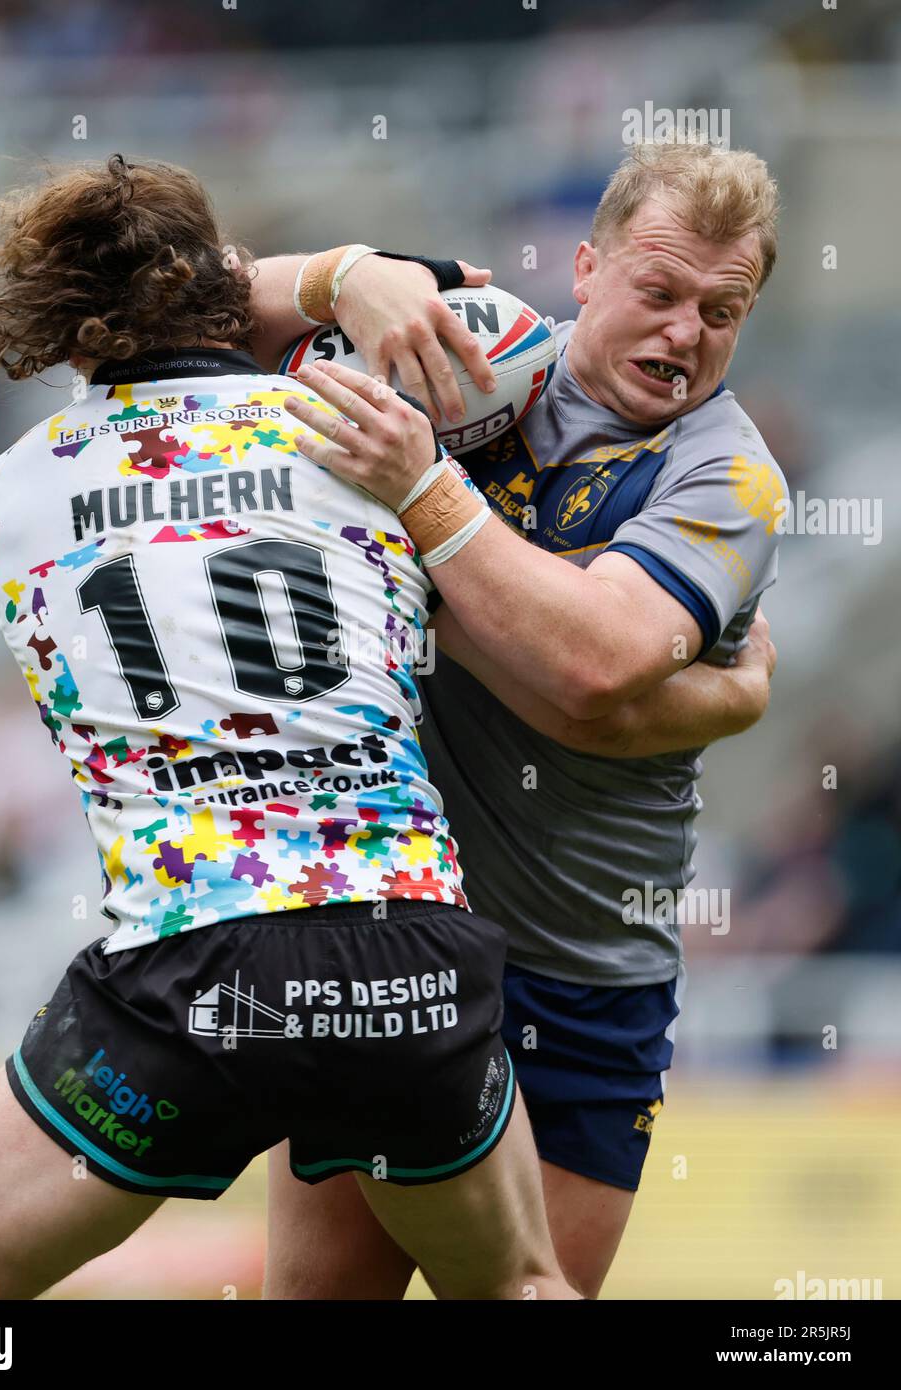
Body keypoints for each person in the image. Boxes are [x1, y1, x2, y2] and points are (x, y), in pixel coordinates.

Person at [0, 155, 583, 1302]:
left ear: (68, 325)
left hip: (181, 977)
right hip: (401, 965)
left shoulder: (12, 492)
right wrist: (353, 279)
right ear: (226, 282)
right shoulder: (375, 440)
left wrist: (324, 281)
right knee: (519, 1288)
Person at [247, 138, 786, 1298]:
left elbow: (592, 669)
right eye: (657, 290)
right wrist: (339, 272)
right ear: (584, 270)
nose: (684, 331)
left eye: (720, 308)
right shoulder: (464, 342)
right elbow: (200, 308)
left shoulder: (726, 476)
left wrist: (418, 495)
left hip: (583, 972)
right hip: (386, 922)